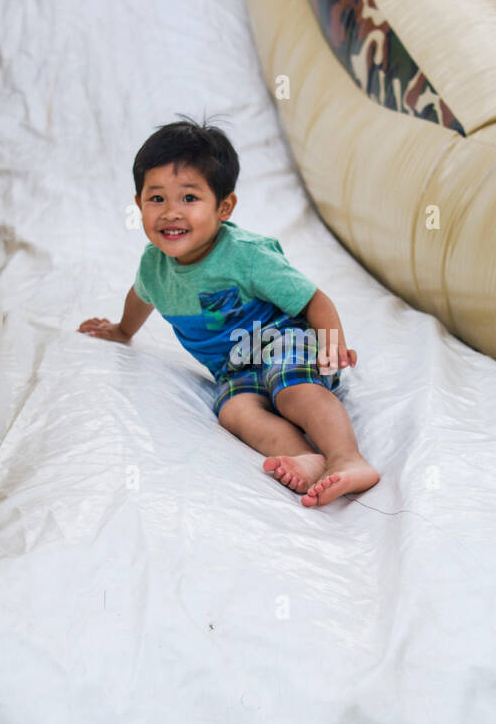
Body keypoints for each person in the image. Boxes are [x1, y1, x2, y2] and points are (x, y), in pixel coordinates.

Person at [78, 116, 379, 507]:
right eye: (156, 199)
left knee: (289, 386)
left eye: (189, 198)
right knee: (235, 411)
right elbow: (141, 297)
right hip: (234, 369)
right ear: (138, 205)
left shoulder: (245, 255)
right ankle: (307, 458)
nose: (170, 212)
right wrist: (122, 330)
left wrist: (330, 346)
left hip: (286, 341)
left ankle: (347, 458)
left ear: (224, 207)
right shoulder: (154, 266)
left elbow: (314, 300)